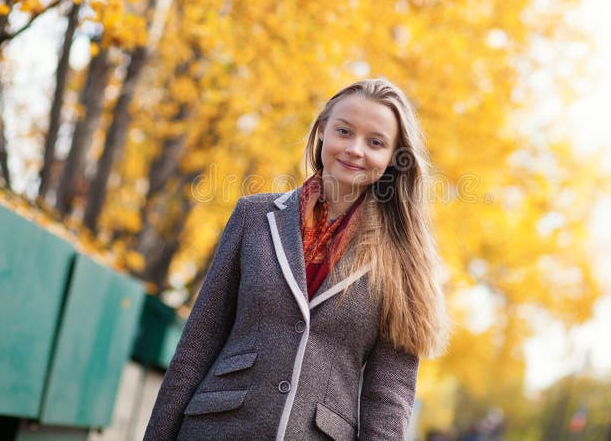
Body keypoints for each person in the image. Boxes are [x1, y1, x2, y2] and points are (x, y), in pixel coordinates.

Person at [144, 78, 449, 440]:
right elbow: (199, 342)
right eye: (344, 131)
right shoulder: (253, 216)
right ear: (322, 131)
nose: (355, 149)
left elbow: (389, 396)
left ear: (394, 158)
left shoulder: (400, 260)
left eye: (375, 142)